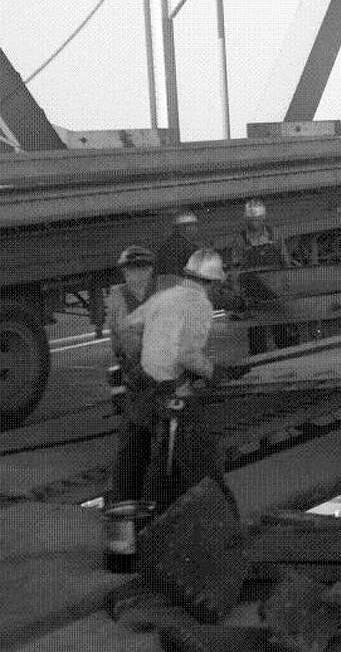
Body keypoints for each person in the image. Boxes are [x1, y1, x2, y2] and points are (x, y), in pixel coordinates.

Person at [123, 249, 248, 512]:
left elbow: (131, 325)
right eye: (217, 286)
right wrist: (214, 373)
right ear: (211, 283)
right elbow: (188, 355)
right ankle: (221, 513)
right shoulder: (200, 304)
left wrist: (150, 355)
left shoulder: (165, 296)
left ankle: (152, 507)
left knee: (157, 459)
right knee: (202, 456)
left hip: (147, 389)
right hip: (171, 394)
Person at [105, 246, 159, 509]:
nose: (134, 274)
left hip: (159, 380)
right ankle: (127, 500)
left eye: (139, 269)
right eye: (129, 270)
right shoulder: (117, 297)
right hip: (136, 380)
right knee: (132, 444)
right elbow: (117, 340)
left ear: (149, 271)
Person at [231, 198, 296, 352]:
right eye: (252, 219)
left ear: (263, 218)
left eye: (258, 219)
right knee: (257, 333)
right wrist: (238, 292)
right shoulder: (241, 240)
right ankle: (259, 360)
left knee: (282, 329)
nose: (255, 222)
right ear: (246, 220)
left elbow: (285, 259)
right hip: (254, 292)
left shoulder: (274, 234)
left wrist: (288, 282)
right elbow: (236, 268)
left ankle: (287, 355)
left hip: (275, 289)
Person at [155, 210, 202, 288]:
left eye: (194, 225)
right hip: (180, 286)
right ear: (181, 227)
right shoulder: (185, 246)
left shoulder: (167, 244)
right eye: (191, 225)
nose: (195, 228)